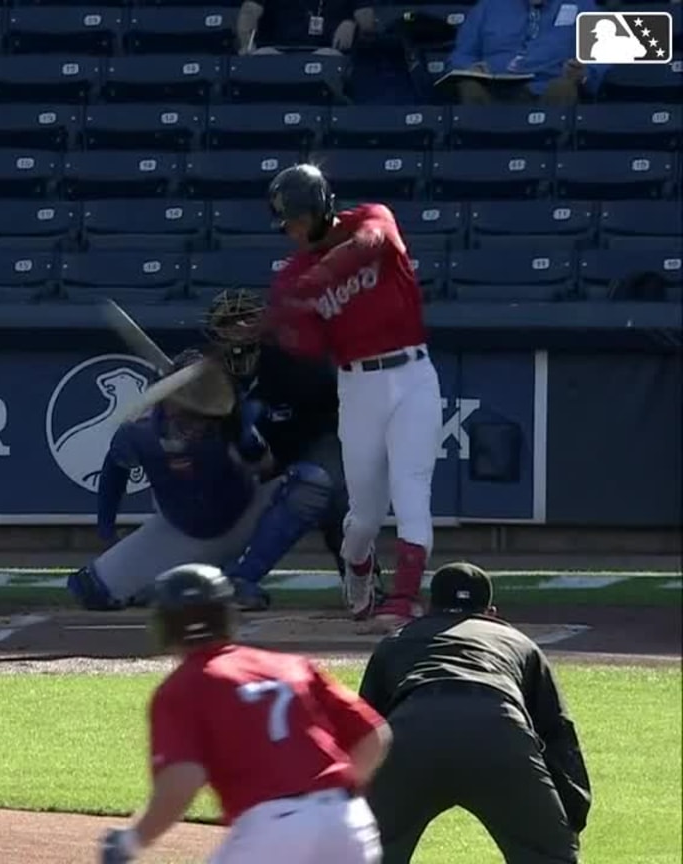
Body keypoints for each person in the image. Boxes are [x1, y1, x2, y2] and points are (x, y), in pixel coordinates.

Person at [97, 563, 391, 864]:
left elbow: (182, 780)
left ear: (165, 626)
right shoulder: (290, 666)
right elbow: (374, 735)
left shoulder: (183, 687)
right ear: (226, 615)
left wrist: (132, 841)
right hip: (349, 825)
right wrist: (329, 803)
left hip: (271, 832)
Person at [263, 163, 440, 633]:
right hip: (358, 385)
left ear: (320, 207)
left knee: (411, 492)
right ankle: (358, 572)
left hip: (413, 375)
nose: (293, 231)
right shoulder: (293, 275)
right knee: (362, 516)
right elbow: (309, 346)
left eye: (297, 219)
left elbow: (368, 245)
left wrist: (307, 288)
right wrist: (278, 326)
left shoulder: (370, 219)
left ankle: (403, 599)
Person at [66, 350, 337, 613]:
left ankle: (241, 578)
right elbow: (115, 469)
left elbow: (265, 466)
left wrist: (243, 438)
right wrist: (106, 527)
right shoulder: (138, 432)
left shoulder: (233, 420)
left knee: (311, 482)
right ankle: (164, 584)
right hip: (179, 532)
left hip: (241, 516)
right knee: (91, 590)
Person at [358, 562, 592, 864]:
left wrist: (351, 809)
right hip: (498, 729)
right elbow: (558, 734)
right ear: (491, 612)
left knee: (366, 856)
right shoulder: (520, 643)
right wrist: (567, 820)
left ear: (431, 608)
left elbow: (364, 727)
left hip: (413, 731)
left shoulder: (396, 641)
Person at [205, 288, 384, 619]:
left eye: (246, 319)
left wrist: (270, 447)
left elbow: (339, 415)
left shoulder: (299, 362)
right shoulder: (212, 372)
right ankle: (219, 575)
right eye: (228, 323)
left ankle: (360, 580)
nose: (238, 328)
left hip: (315, 446)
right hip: (239, 473)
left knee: (324, 485)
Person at [445, 0, 607, 106]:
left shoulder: (585, 5)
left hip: (547, 88)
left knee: (562, 88)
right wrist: (471, 68)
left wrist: (584, 74)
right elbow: (460, 55)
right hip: (495, 90)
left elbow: (602, 58)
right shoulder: (487, 6)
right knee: (470, 87)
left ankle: (556, 153)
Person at [236, 0, 378, 55]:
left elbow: (367, 22)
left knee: (327, 56)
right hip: (279, 50)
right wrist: (246, 44)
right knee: (263, 56)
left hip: (328, 50)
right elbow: (249, 10)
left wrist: (353, 24)